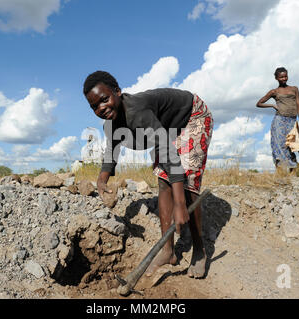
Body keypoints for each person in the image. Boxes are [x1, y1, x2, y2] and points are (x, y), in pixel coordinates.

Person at [83, 70, 213, 278]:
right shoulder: (112, 123)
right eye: (94, 106)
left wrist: (180, 205)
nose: (101, 108)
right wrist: (102, 179)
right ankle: (168, 251)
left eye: (104, 100)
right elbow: (111, 150)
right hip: (168, 126)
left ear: (117, 91)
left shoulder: (137, 111)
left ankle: (199, 251)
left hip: (191, 116)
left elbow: (169, 152)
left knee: (185, 183)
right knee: (163, 180)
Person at [256, 67, 299, 173]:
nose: (284, 78)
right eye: (281, 77)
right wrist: (272, 105)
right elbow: (259, 103)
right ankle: (280, 172)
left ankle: (293, 171)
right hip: (279, 120)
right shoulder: (274, 91)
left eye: (285, 76)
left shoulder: (294, 89)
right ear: (276, 78)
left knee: (293, 145)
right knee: (279, 145)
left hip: (292, 120)